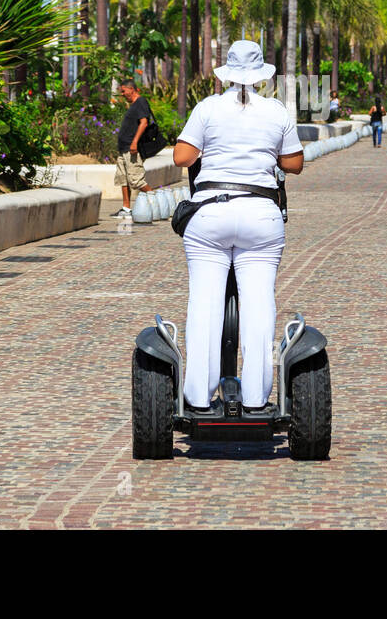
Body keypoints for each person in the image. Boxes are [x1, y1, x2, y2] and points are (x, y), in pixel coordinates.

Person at [172, 41, 304, 411]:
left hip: (209, 214)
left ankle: (198, 396)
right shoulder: (276, 111)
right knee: (260, 304)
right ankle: (256, 397)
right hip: (260, 214)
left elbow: (183, 156)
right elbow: (293, 164)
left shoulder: (208, 107)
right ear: (262, 73)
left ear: (226, 72)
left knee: (204, 303)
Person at [113, 78, 153, 219]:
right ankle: (126, 208)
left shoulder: (141, 102)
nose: (122, 94)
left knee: (136, 180)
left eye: (124, 91)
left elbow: (144, 123)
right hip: (123, 149)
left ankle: (156, 203)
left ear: (132, 89)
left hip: (131, 149)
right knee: (123, 179)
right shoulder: (133, 105)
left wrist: (134, 142)